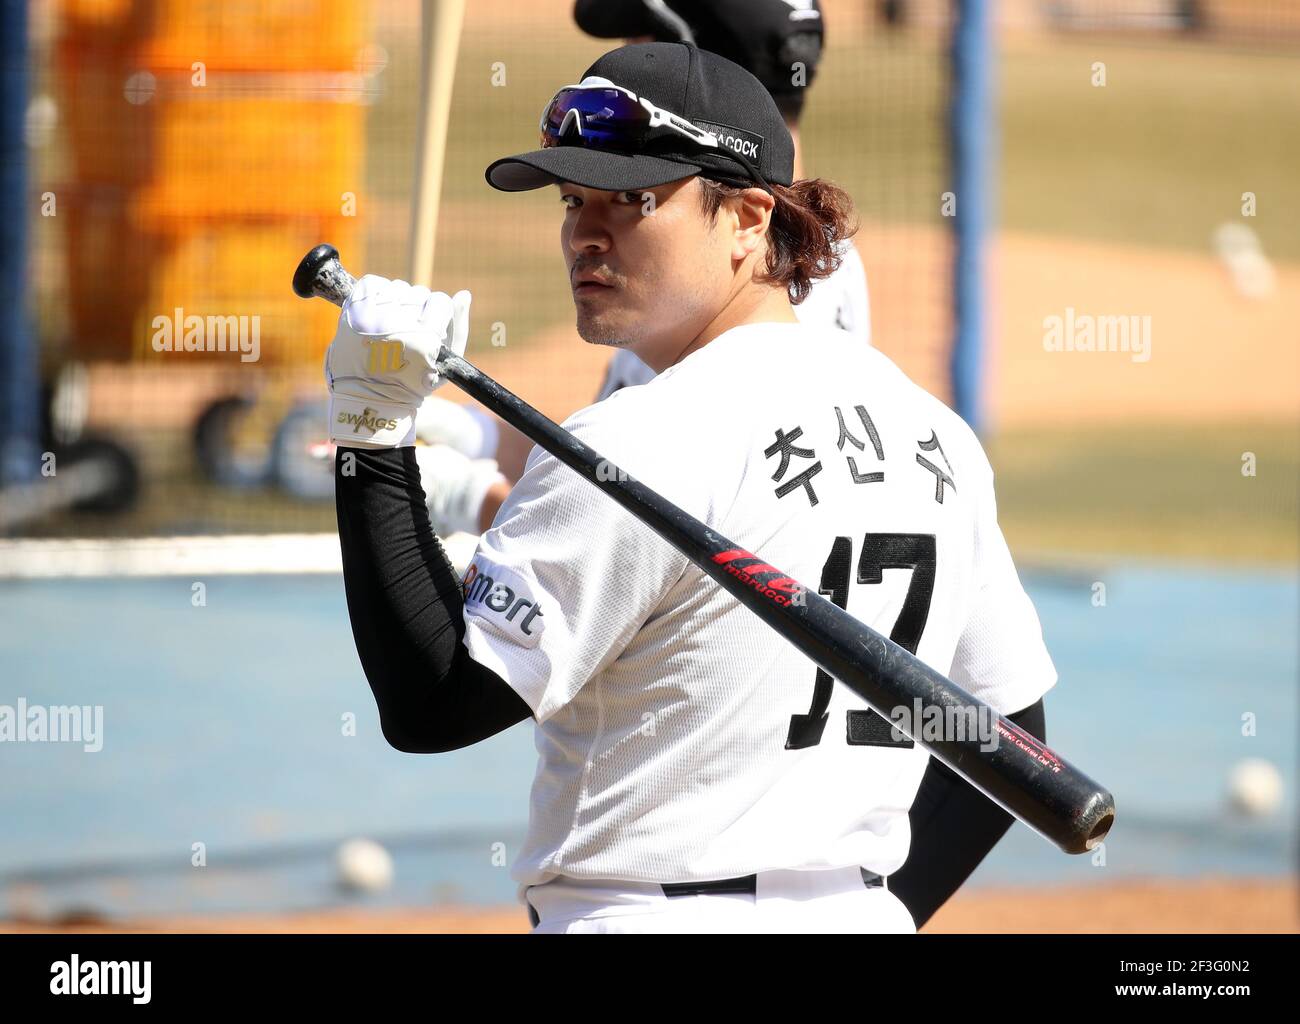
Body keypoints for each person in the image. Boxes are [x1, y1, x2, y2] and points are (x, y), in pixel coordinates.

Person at [327, 41, 1055, 933]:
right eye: (573, 200)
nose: (585, 233)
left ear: (750, 219)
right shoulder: (938, 437)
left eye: (632, 200)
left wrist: (372, 431)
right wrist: (878, 913)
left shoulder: (633, 438)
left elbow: (433, 705)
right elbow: (1011, 732)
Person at [414, 0, 868, 531]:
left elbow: (665, 535)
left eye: (648, 45)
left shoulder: (763, 297)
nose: (628, 61)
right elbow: (620, 475)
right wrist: (481, 437)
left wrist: (473, 500)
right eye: (572, 201)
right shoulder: (772, 265)